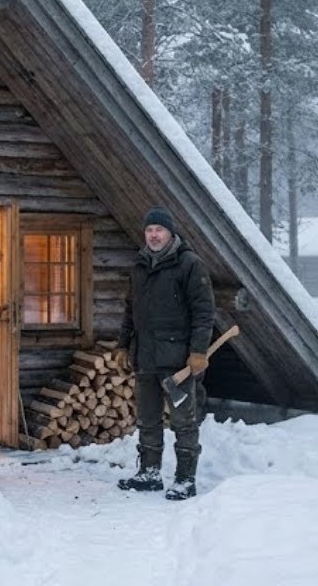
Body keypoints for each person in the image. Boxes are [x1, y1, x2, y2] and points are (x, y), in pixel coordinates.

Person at [114, 206, 215, 500]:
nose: (154, 235)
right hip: (145, 357)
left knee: (184, 421)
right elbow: (129, 311)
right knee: (148, 419)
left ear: (170, 233)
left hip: (178, 361)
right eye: (149, 230)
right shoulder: (140, 266)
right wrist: (122, 345)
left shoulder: (189, 265)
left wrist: (198, 351)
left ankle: (185, 479)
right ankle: (149, 473)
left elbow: (204, 312)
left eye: (159, 230)